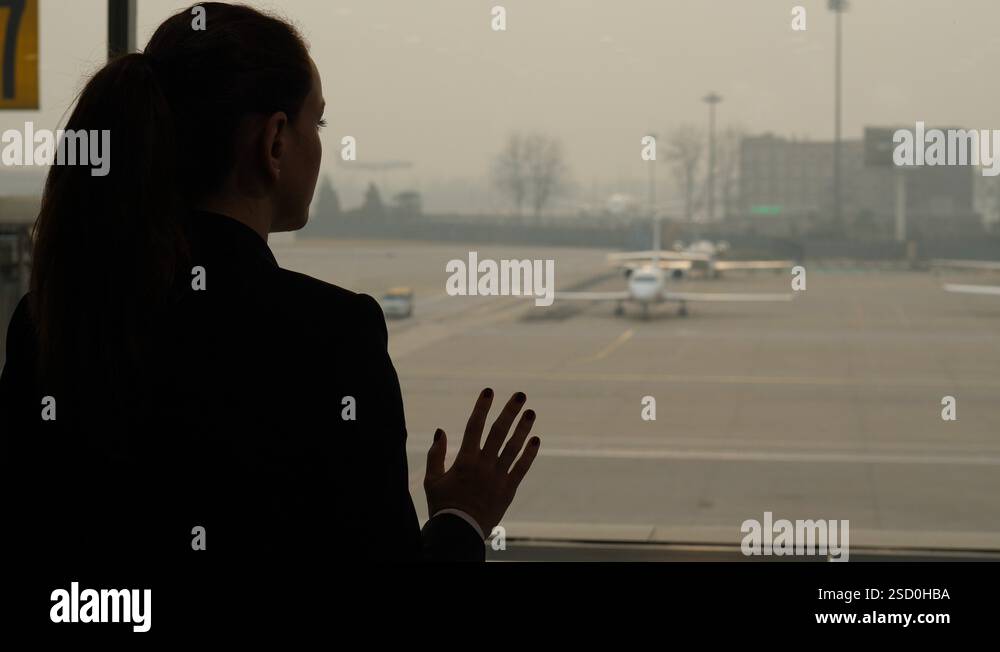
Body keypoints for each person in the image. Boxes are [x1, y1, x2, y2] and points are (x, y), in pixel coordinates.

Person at [0, 2, 539, 567]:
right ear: (275, 142)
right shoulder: (333, 339)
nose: (321, 141)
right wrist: (463, 519)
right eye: (318, 122)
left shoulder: (50, 319)